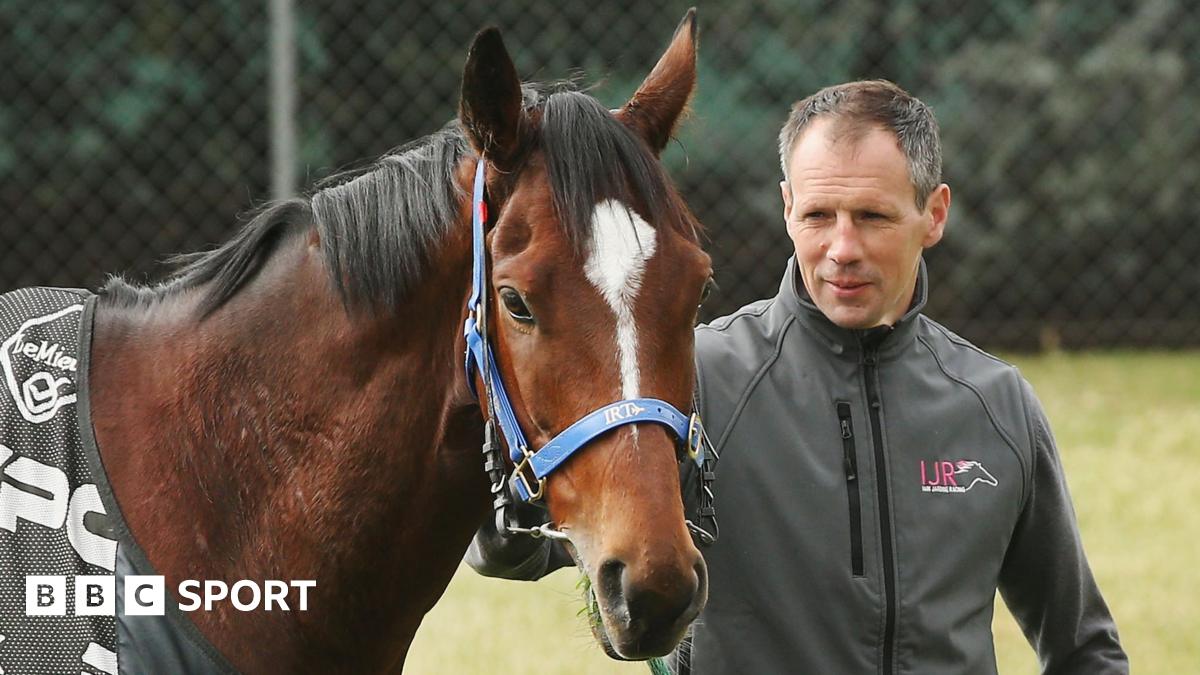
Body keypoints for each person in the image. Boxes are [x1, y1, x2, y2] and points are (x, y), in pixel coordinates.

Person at [466, 80, 1128, 674]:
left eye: (871, 216)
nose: (842, 248)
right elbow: (524, 546)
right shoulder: (700, 382)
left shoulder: (995, 406)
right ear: (787, 209)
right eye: (818, 216)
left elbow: (1085, 650)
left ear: (934, 214)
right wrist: (502, 506)